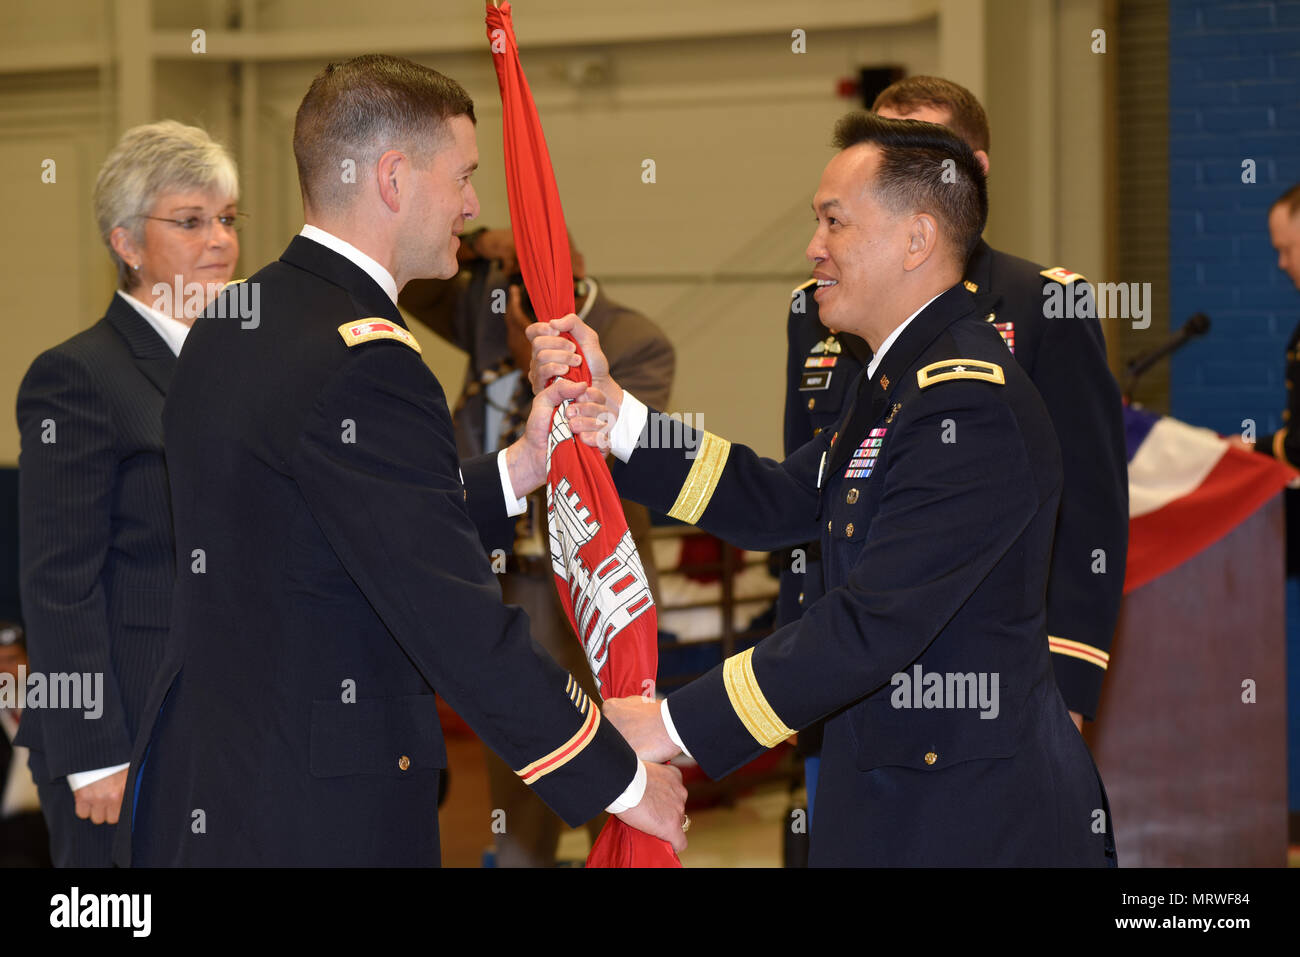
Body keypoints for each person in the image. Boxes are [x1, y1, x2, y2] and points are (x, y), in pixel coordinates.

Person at [114, 54, 685, 867]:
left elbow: (333, 519)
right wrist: (623, 781)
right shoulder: (370, 358)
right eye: (462, 176)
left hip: (209, 786)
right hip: (319, 810)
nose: (473, 205)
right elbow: (457, 622)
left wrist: (519, 467)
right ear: (392, 177)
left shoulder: (237, 315)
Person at [533, 113, 1115, 866]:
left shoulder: (966, 402)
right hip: (895, 796)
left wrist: (670, 723)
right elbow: (778, 495)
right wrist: (621, 421)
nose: (813, 248)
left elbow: (872, 624)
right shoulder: (896, 381)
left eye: (834, 222)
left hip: (973, 817)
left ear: (916, 240)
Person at [402, 236, 675, 866]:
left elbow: (614, 452)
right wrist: (473, 246)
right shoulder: (491, 317)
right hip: (516, 580)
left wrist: (559, 366)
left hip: (600, 585)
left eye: (539, 283)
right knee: (524, 767)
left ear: (577, 276)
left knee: (620, 759)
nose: (519, 300)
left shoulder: (634, 339)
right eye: (512, 280)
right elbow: (412, 274)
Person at [15, 120, 240, 866]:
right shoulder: (77, 376)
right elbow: (57, 579)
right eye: (191, 220)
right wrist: (92, 750)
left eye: (228, 219)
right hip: (120, 738)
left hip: (218, 723)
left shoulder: (236, 369)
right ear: (127, 242)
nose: (220, 241)